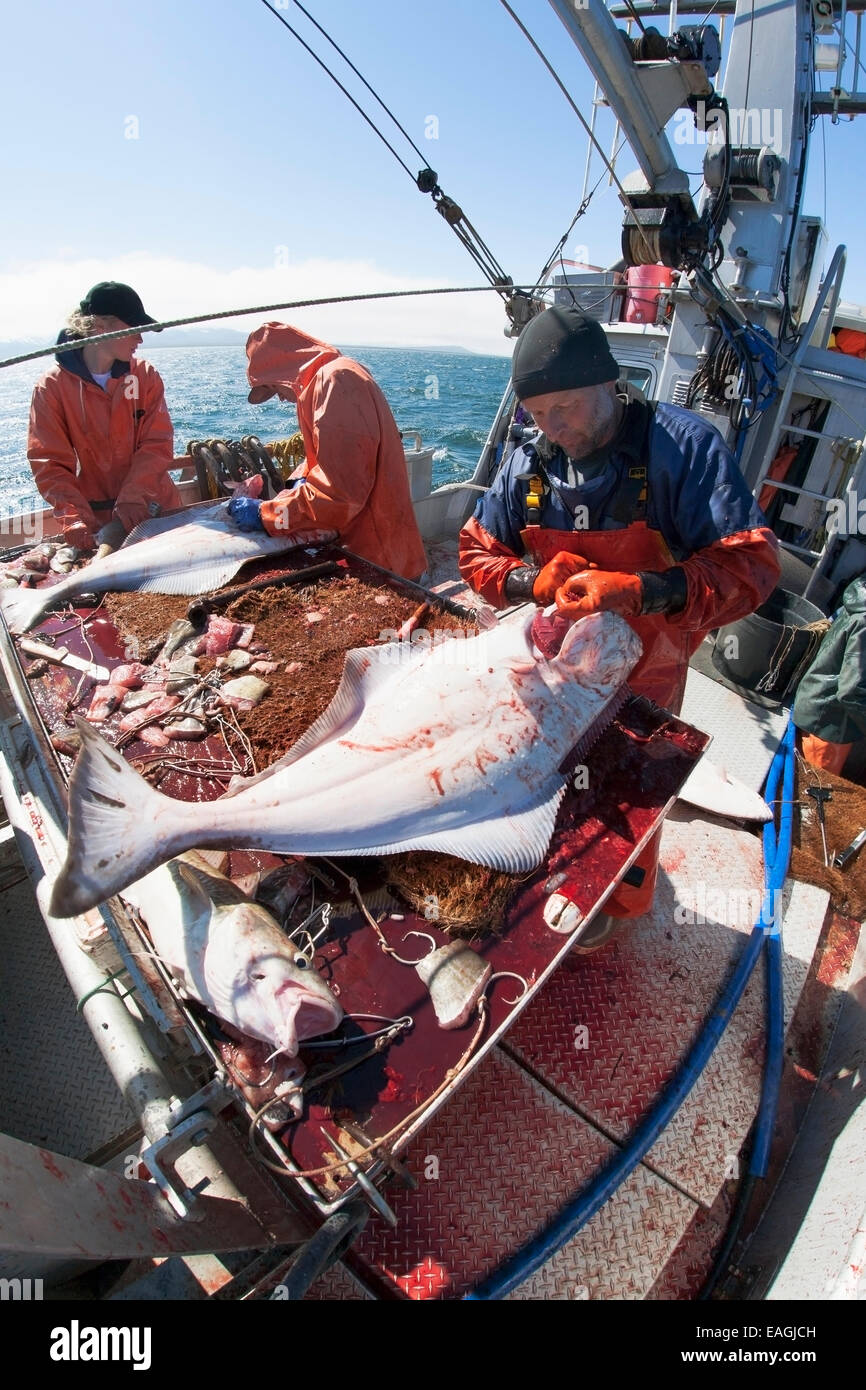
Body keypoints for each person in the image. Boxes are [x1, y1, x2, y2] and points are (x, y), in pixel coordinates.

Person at [458, 305, 781, 948]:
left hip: (647, 671)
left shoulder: (684, 449)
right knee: (552, 779)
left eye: (568, 408)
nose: (554, 427)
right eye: (537, 412)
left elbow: (752, 566)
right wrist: (532, 582)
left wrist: (639, 589)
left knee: (631, 792)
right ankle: (547, 864)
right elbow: (474, 553)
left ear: (609, 384)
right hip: (554, 670)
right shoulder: (527, 460)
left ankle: (624, 898)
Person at [227, 322, 427, 581]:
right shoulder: (330, 378)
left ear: (284, 371)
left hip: (380, 560)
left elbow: (341, 497)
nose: (278, 398)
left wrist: (266, 514)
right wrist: (301, 477)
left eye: (274, 388)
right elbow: (335, 459)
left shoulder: (335, 383)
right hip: (373, 549)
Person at [27, 281, 182, 551]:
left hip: (155, 513)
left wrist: (134, 498)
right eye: (134, 328)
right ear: (101, 326)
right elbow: (49, 463)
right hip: (97, 527)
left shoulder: (145, 376)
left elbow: (157, 445)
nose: (141, 338)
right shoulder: (51, 388)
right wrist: (75, 519)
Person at [793, 573, 866, 775]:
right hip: (828, 724)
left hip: (819, 703)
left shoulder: (859, 595)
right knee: (811, 791)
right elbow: (852, 690)